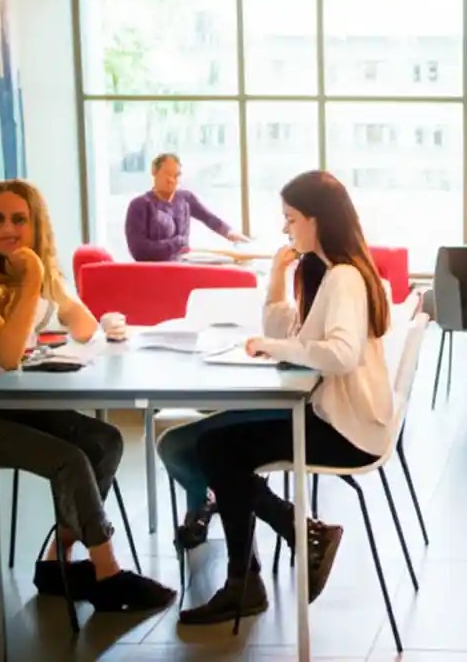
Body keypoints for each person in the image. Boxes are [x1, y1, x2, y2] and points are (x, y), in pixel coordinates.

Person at [0, 179, 175, 612]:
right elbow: (8, 355)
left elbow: (86, 329)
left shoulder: (35, 274)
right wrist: (35, 283)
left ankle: (56, 562)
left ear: (36, 226)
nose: (7, 230)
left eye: (19, 220)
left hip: (6, 408)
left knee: (105, 440)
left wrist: (52, 285)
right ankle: (108, 574)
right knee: (70, 458)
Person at [176, 170, 393, 625]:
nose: (285, 228)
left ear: (317, 220)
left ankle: (256, 573)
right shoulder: (332, 272)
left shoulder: (345, 278)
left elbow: (340, 354)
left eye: (291, 218)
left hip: (346, 431)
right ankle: (287, 543)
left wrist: (272, 348)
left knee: (217, 449)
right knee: (217, 447)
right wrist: (277, 273)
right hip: (342, 417)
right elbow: (290, 332)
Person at [125, 153, 249, 262]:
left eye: (176, 175)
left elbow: (209, 218)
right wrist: (178, 243)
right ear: (154, 172)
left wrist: (232, 234)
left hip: (183, 266)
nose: (171, 180)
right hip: (153, 272)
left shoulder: (185, 198)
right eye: (167, 174)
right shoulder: (139, 205)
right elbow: (139, 251)